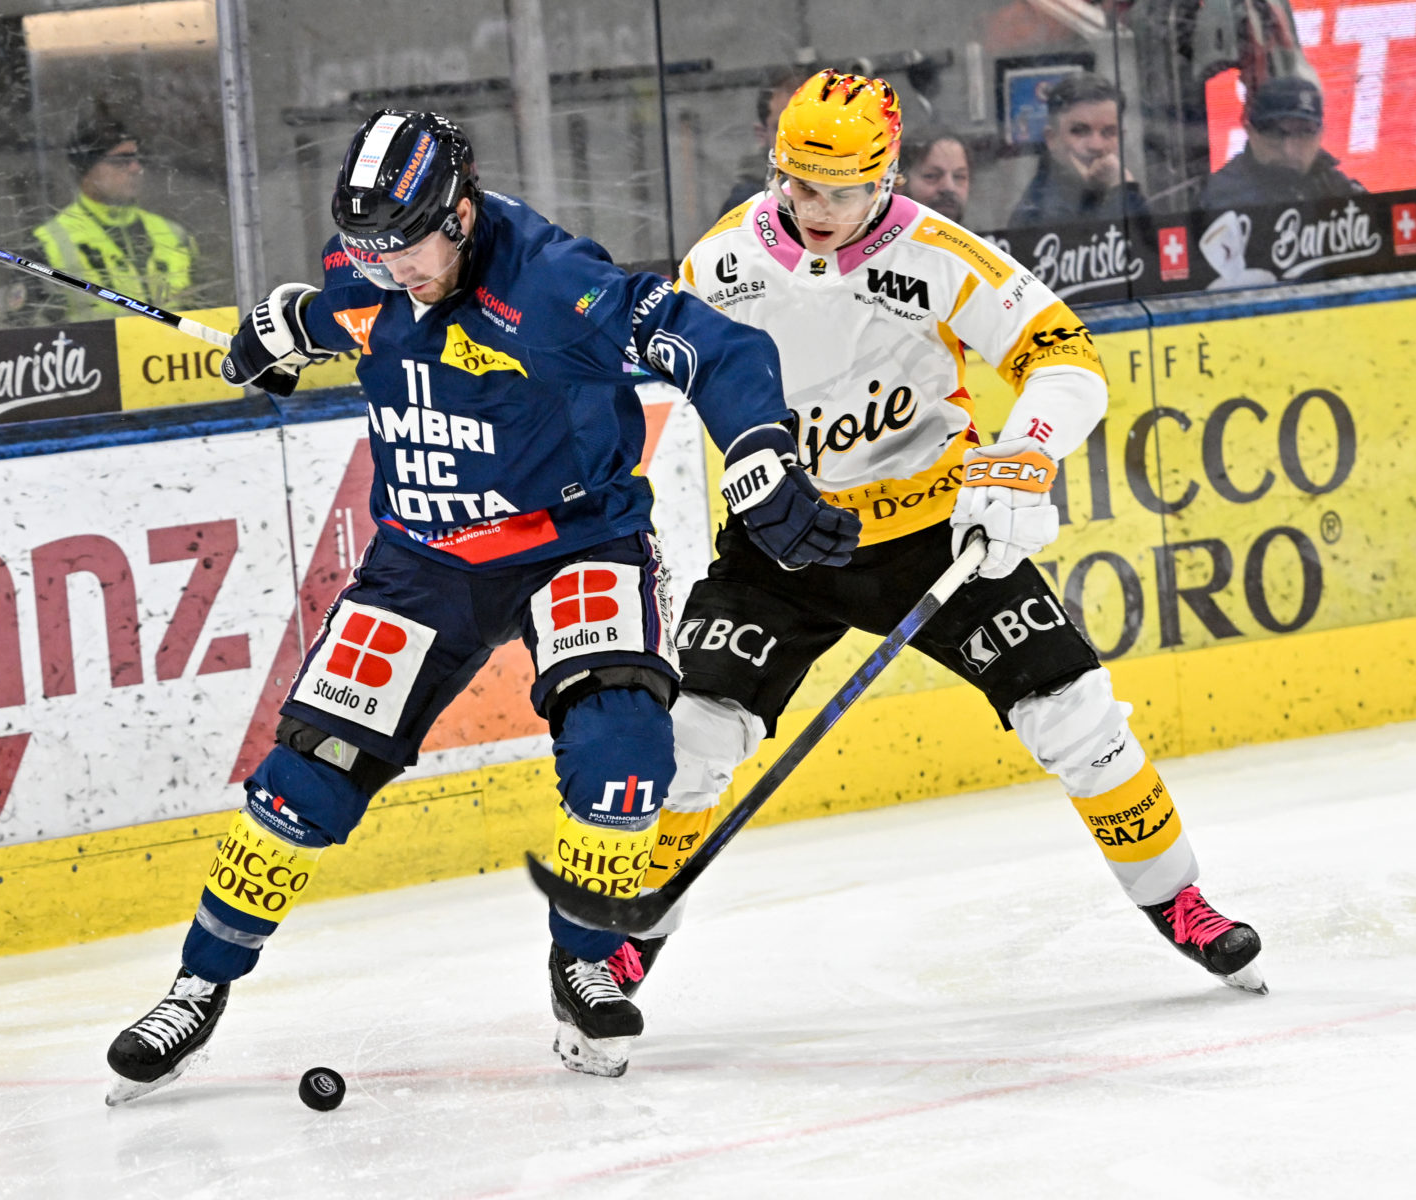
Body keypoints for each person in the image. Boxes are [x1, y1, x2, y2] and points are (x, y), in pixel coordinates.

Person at [102, 109, 859, 1100]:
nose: (391, 270)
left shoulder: (552, 282)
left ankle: (582, 960)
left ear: (460, 213)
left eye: (408, 246)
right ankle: (197, 989)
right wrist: (277, 328)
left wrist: (758, 450)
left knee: (624, 752)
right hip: (423, 563)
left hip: (573, 539)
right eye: (369, 253)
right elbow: (332, 309)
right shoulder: (378, 269)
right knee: (304, 781)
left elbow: (714, 345)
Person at [635, 70, 1264, 1003]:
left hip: (937, 534)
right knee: (692, 739)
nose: (819, 209)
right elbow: (652, 386)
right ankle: (625, 945)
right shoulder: (721, 263)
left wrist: (1024, 459)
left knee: (1074, 714)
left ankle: (1178, 902)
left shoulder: (938, 253)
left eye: (844, 190)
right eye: (803, 185)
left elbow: (1063, 354)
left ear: (886, 176)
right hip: (780, 546)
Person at [15, 109, 198, 325]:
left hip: (171, 356)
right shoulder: (48, 241)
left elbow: (203, 311)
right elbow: (27, 334)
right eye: (122, 160)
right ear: (87, 169)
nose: (135, 168)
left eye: (137, 158)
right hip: (96, 356)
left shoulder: (174, 234)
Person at [1200, 76, 1363, 211]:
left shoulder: (1340, 191)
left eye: (1304, 133)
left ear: (1321, 134)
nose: (1289, 150)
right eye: (1274, 134)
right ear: (1250, 132)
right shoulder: (1217, 201)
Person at [1007, 72, 1150, 226]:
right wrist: (1123, 190)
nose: (1096, 146)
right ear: (1052, 139)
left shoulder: (1106, 188)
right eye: (1080, 131)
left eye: (1109, 132)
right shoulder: (1039, 210)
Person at [718, 66, 823, 217]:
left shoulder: (859, 196)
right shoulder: (744, 208)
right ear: (762, 134)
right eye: (782, 128)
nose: (798, 141)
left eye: (811, 127)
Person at [898, 129, 971, 222]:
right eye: (932, 176)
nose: (949, 187)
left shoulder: (979, 236)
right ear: (899, 183)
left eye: (959, 177)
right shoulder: (878, 235)